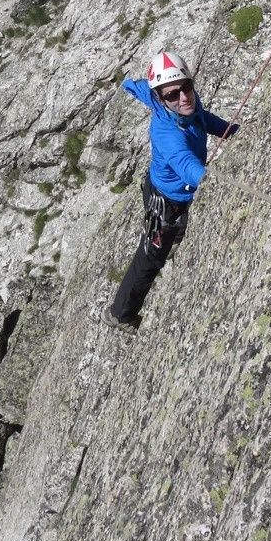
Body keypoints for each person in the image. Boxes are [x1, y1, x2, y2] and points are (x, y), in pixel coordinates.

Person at [106, 48, 236, 331]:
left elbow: (202, 117)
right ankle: (120, 314)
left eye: (187, 87)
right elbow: (184, 162)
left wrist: (231, 130)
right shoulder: (166, 134)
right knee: (150, 257)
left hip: (172, 190)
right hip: (165, 198)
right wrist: (209, 178)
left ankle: (176, 234)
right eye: (172, 95)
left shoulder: (174, 99)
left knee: (170, 236)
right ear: (160, 99)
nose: (184, 97)